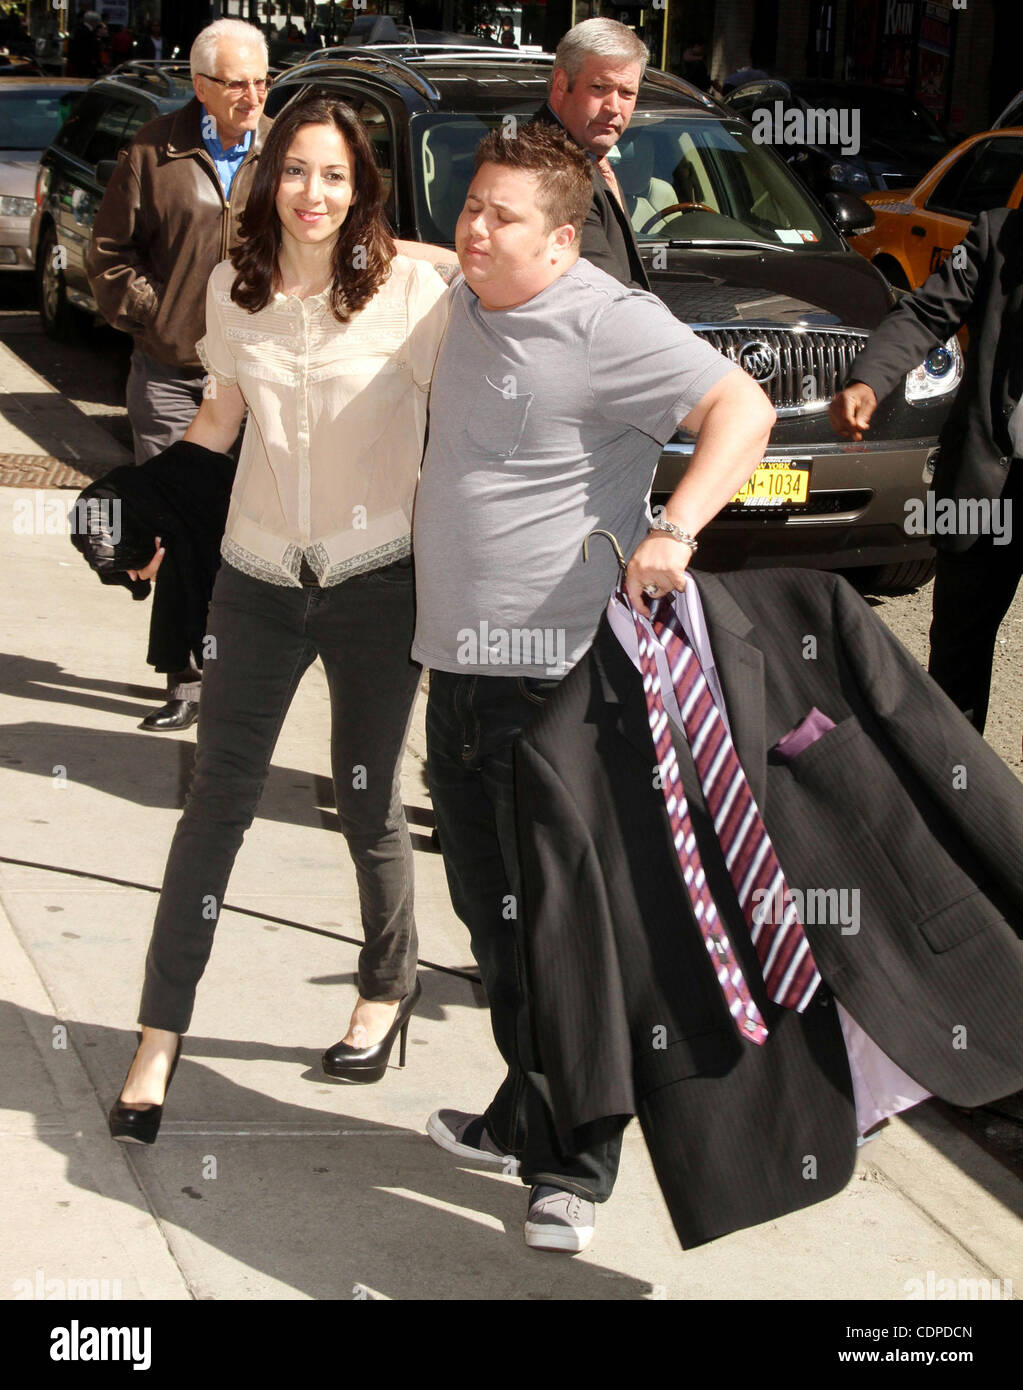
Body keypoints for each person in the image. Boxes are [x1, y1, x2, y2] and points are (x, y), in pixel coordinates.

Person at [413, 123, 775, 1252]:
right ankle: (529, 1108)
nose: (472, 227)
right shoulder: (469, 295)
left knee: (569, 933)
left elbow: (744, 409)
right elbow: (404, 261)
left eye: (500, 215)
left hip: (557, 682)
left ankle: (576, 1164)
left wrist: (675, 525)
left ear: (564, 241)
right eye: (470, 205)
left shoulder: (611, 321)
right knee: (496, 923)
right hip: (459, 673)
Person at [106, 94, 452, 1146]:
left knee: (363, 797)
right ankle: (159, 1035)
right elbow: (219, 415)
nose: (314, 194)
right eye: (297, 171)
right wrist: (149, 503)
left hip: (375, 576)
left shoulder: (412, 295)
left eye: (336, 176)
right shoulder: (231, 288)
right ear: (270, 178)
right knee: (216, 801)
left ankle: (387, 986)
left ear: (363, 190)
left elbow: (474, 391)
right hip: (256, 578)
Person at [86, 19, 272, 731]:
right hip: (171, 374)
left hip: (257, 379)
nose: (253, 94)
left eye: (262, 80)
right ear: (200, 86)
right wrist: (156, 314)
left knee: (246, 527)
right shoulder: (153, 149)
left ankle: (235, 666)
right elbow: (108, 252)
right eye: (237, 82)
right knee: (178, 528)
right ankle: (186, 679)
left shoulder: (285, 150)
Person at [829, 208, 1023, 734]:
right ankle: (952, 792)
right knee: (957, 662)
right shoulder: (999, 235)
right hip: (986, 483)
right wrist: (869, 379)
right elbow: (925, 314)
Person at [533, 17, 650, 290]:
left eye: (627, 92)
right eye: (600, 88)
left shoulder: (586, 151)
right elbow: (607, 289)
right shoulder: (550, 166)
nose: (614, 107)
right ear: (561, 83)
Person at [67, 9, 103, 77]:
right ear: (93, 21)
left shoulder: (77, 29)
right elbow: (93, 50)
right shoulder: (89, 33)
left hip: (76, 63)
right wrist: (99, 65)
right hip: (86, 65)